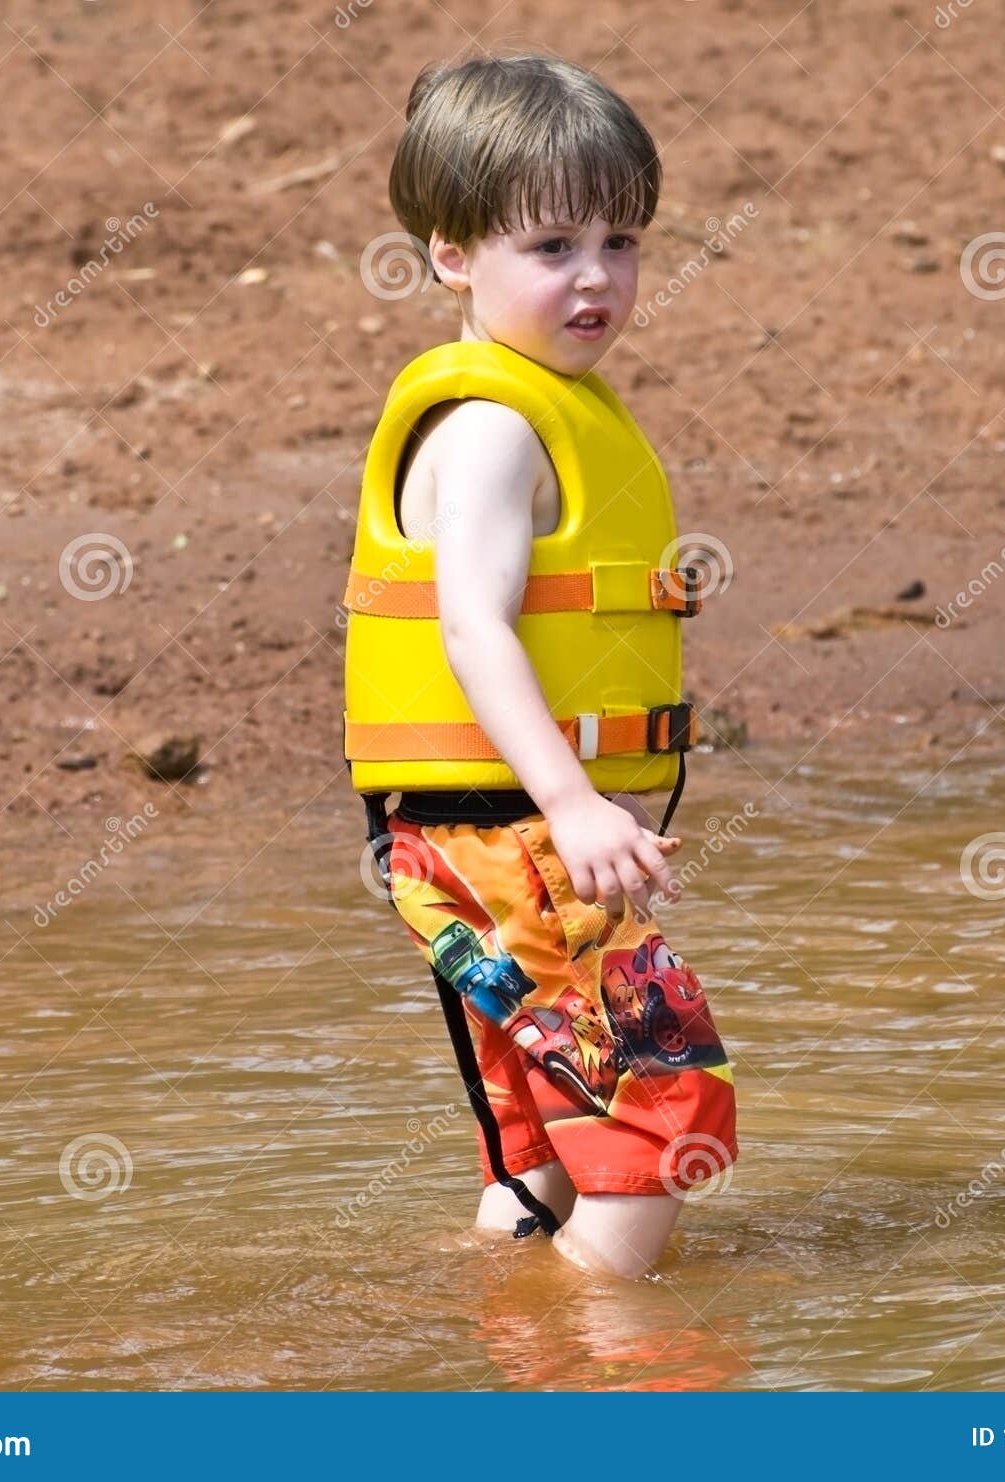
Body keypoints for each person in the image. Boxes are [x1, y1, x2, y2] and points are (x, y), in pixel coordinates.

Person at [341, 52, 737, 1280]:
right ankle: (621, 1366)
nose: (596, 277)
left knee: (542, 1149)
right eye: (553, 243)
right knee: (664, 1106)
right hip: (516, 836)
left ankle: (513, 1336)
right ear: (452, 255)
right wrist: (570, 801)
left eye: (622, 241)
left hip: (467, 837)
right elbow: (472, 627)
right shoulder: (494, 429)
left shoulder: (530, 406)